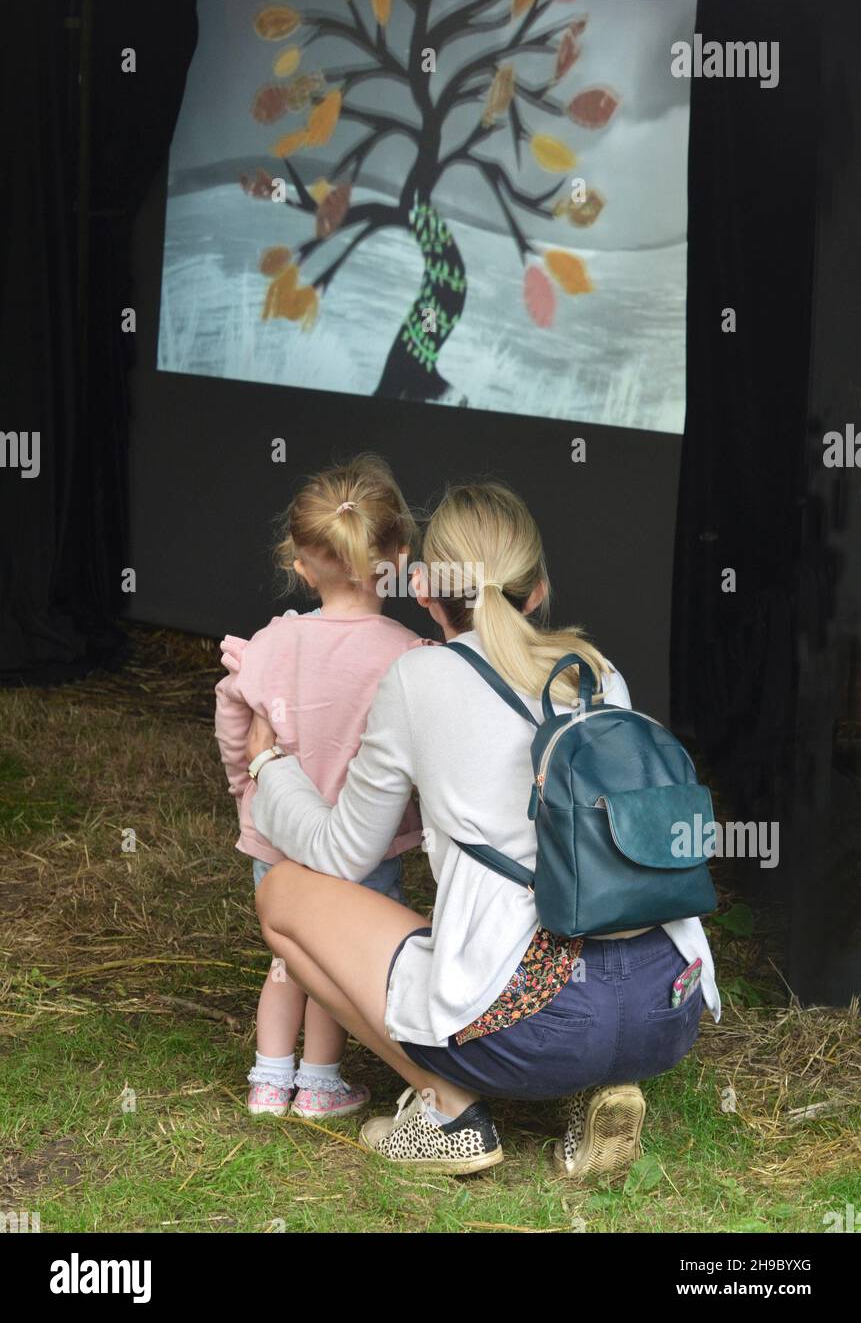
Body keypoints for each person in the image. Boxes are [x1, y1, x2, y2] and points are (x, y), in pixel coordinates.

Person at [249, 481, 721, 1175]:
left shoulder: (418, 678)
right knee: (584, 977)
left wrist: (270, 766)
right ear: (538, 590)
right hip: (664, 1005)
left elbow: (342, 854)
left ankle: (446, 1111)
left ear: (421, 587)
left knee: (284, 894)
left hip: (537, 1023)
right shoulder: (598, 673)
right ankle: (591, 1090)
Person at [214, 454, 429, 1120]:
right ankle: (320, 1083)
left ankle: (269, 1080)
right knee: (335, 966)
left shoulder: (273, 642)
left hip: (276, 839)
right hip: (365, 853)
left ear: (301, 566)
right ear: (396, 557)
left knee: (288, 955)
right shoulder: (407, 656)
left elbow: (232, 713)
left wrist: (243, 787)